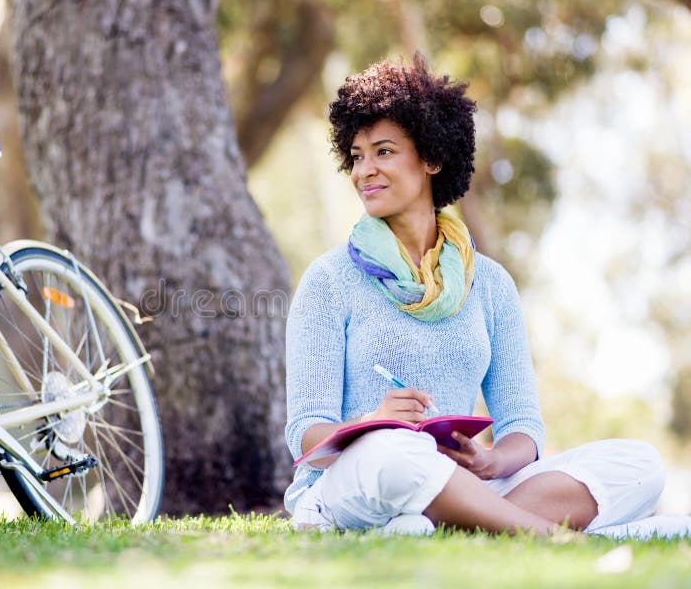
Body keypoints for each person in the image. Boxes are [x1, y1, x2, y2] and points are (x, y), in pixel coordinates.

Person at [283, 55, 690, 539]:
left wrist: (492, 461)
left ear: (432, 158)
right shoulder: (330, 279)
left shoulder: (491, 284)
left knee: (639, 463)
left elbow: (523, 426)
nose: (364, 171)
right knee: (394, 452)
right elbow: (306, 434)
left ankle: (443, 524)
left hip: (460, 481)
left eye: (383, 152)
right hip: (355, 481)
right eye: (356, 156)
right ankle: (558, 539)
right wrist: (373, 422)